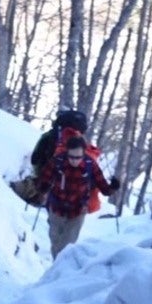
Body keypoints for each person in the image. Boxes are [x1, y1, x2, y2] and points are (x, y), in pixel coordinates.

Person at [29, 109, 116, 258]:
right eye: (72, 157)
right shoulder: (58, 160)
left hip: (76, 209)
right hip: (57, 206)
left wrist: (113, 187)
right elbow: (46, 177)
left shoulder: (89, 164)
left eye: (78, 157)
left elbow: (103, 186)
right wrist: (42, 187)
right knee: (56, 242)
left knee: (66, 245)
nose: (75, 160)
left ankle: (60, 271)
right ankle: (57, 270)